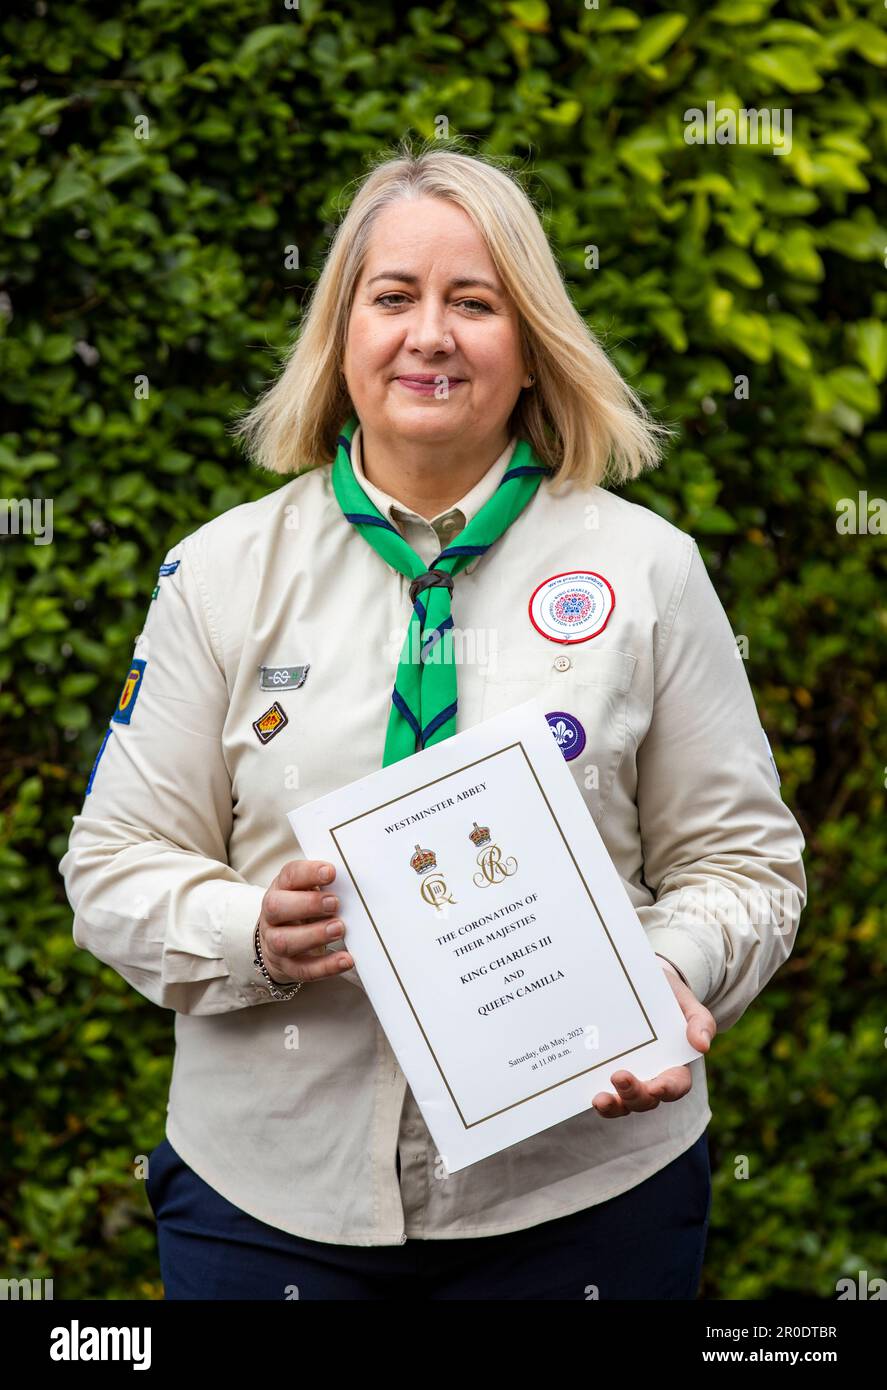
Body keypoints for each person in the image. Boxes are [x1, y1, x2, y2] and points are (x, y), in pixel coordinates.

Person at [59, 140, 807, 1301]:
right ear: (340, 335)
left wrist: (656, 975)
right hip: (266, 1196)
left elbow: (744, 865)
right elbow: (110, 867)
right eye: (392, 297)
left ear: (530, 344)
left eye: (474, 302)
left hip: (580, 1198)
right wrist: (251, 928)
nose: (429, 335)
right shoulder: (218, 574)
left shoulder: (647, 569)